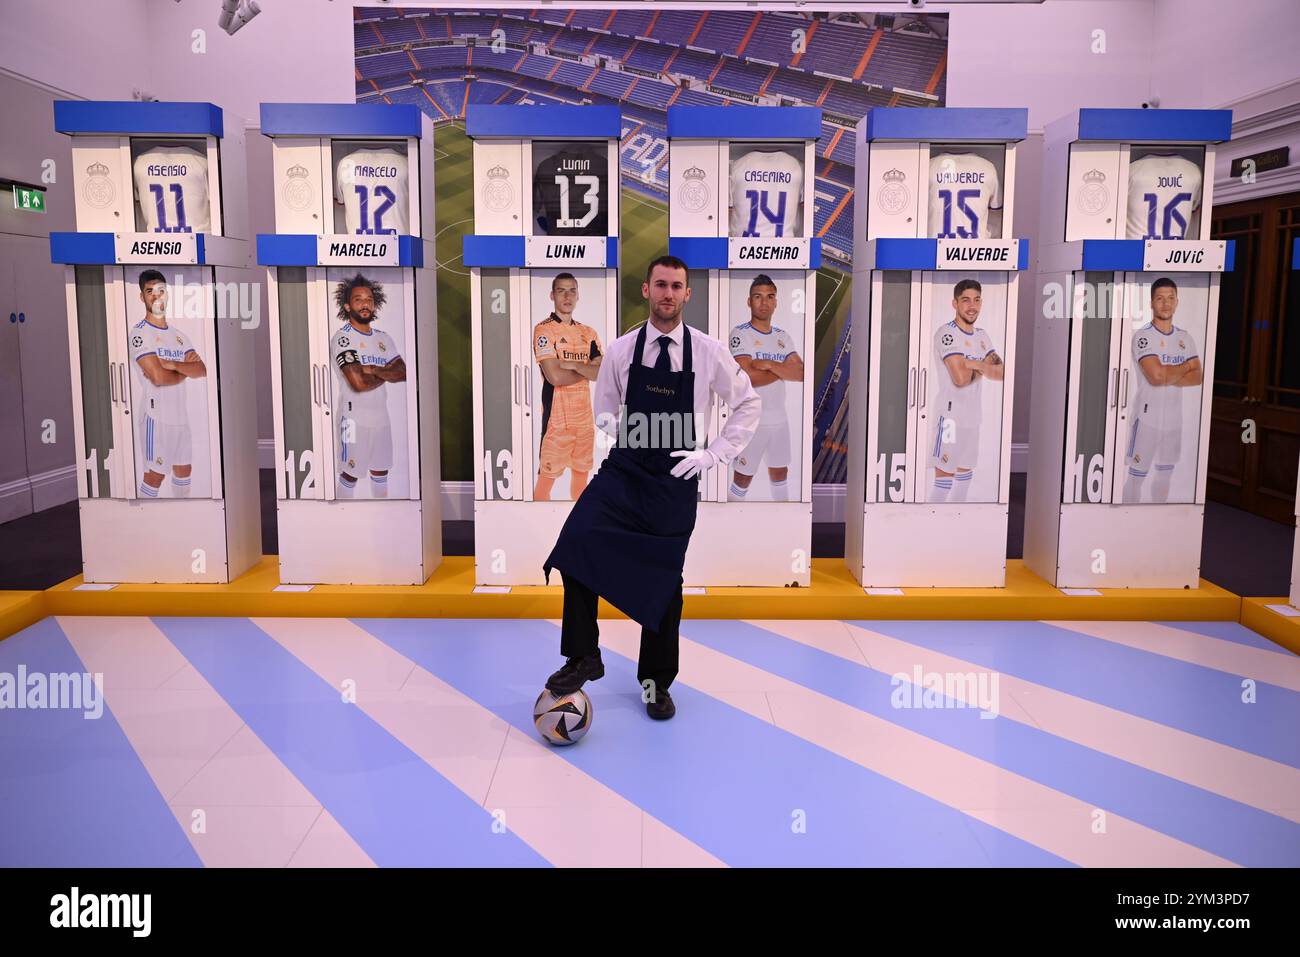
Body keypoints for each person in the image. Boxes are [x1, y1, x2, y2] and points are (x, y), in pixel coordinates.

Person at [542, 255, 761, 720]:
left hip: (674, 483)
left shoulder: (708, 351)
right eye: (660, 284)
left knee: (665, 584)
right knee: (576, 542)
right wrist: (632, 442)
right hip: (625, 470)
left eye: (676, 286)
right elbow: (605, 412)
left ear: (687, 294)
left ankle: (655, 684)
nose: (667, 293)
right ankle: (584, 654)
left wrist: (711, 454)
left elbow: (748, 404)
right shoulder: (621, 350)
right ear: (647, 291)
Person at [1123, 277, 1202, 503]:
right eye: (1160, 299)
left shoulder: (1185, 338)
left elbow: (1198, 377)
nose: (1165, 304)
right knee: (1137, 477)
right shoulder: (1143, 336)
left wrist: (1169, 373)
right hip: (1147, 420)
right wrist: (1185, 366)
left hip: (1174, 422)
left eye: (1170, 299)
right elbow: (1156, 376)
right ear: (1151, 303)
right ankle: (1130, 521)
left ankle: (1157, 518)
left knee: (1165, 475)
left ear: (1177, 302)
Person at [129, 270, 206, 498]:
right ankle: (144, 522)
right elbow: (158, 377)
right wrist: (184, 368)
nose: (156, 296)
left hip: (181, 418)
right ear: (142, 297)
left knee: (184, 470)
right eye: (149, 291)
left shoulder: (179, 336)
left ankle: (180, 521)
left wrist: (171, 364)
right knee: (155, 475)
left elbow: (201, 370)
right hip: (156, 417)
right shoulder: (140, 334)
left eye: (160, 290)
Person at [728, 274, 804, 502]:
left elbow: (801, 373)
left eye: (770, 297)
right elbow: (747, 377)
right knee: (742, 477)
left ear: (776, 302)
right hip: (751, 421)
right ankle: (729, 524)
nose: (764, 302)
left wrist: (770, 364)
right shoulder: (740, 334)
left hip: (780, 420)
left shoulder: (783, 337)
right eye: (758, 297)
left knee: (780, 472)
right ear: (749, 301)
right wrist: (783, 370)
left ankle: (784, 522)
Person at [330, 274, 405, 498]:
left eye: (369, 299)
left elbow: (402, 372)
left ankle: (382, 517)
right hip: (353, 418)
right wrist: (385, 371)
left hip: (381, 416)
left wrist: (372, 368)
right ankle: (343, 518)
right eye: (358, 300)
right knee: (350, 474)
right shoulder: (343, 339)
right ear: (347, 305)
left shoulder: (384, 338)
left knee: (381, 470)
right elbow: (359, 383)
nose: (365, 304)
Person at [532, 273, 603, 501]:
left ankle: (577, 530)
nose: (567, 296)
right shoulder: (544, 330)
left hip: (584, 421)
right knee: (546, 481)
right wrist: (585, 368)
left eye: (572, 290)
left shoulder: (588, 333)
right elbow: (555, 377)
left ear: (578, 295)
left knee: (581, 477)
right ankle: (537, 527)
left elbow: (601, 372)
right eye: (561, 290)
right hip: (557, 422)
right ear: (552, 295)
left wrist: (571, 364)